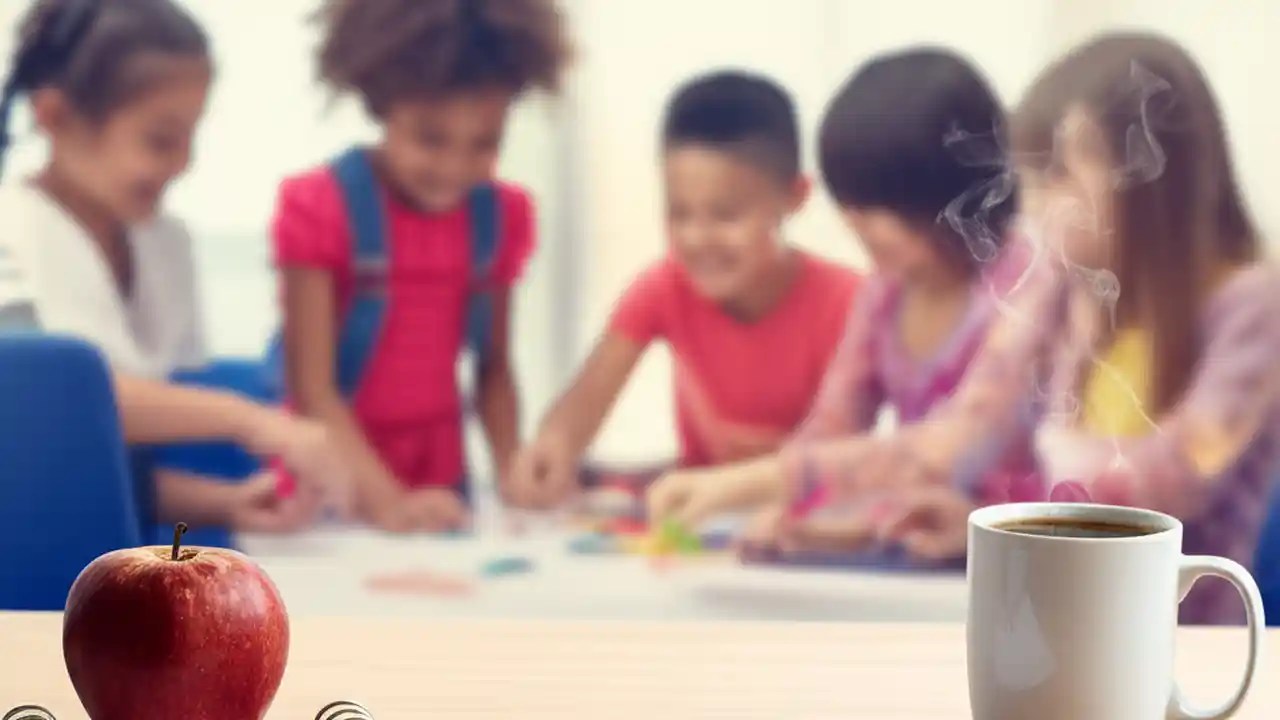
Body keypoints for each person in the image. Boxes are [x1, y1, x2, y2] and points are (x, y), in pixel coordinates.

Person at [706, 34, 1279, 625]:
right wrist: (805, 500)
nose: (1032, 208)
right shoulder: (1067, 289)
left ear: (1149, 177)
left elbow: (1165, 484)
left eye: (1057, 175)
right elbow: (962, 436)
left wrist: (996, 519)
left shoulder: (1251, 307)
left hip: (1194, 645)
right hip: (1070, 624)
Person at [647, 49, 1033, 553]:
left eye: (876, 203)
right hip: (928, 542)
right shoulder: (886, 290)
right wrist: (784, 509)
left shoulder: (1021, 285)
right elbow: (834, 421)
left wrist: (755, 483)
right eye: (848, 200)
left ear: (949, 192)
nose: (854, 220)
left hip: (1022, 549)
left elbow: (956, 446)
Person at [0, 0, 350, 533]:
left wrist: (226, 504)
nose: (183, 162)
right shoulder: (11, 231)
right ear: (55, 118)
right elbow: (59, 408)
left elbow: (108, 467)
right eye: (160, 139)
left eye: (192, 136)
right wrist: (250, 421)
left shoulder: (168, 247)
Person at [272, 0, 570, 531]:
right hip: (333, 478)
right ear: (381, 103)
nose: (455, 167)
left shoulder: (499, 216)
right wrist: (385, 502)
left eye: (485, 144)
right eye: (430, 138)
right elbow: (312, 389)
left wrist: (511, 472)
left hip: (440, 476)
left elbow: (493, 367)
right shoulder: (321, 207)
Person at [510, 71, 861, 509]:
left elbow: (845, 452)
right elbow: (579, 409)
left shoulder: (848, 302)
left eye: (726, 215)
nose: (698, 239)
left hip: (802, 519)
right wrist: (553, 449)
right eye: (679, 214)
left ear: (796, 196)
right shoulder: (663, 287)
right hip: (701, 523)